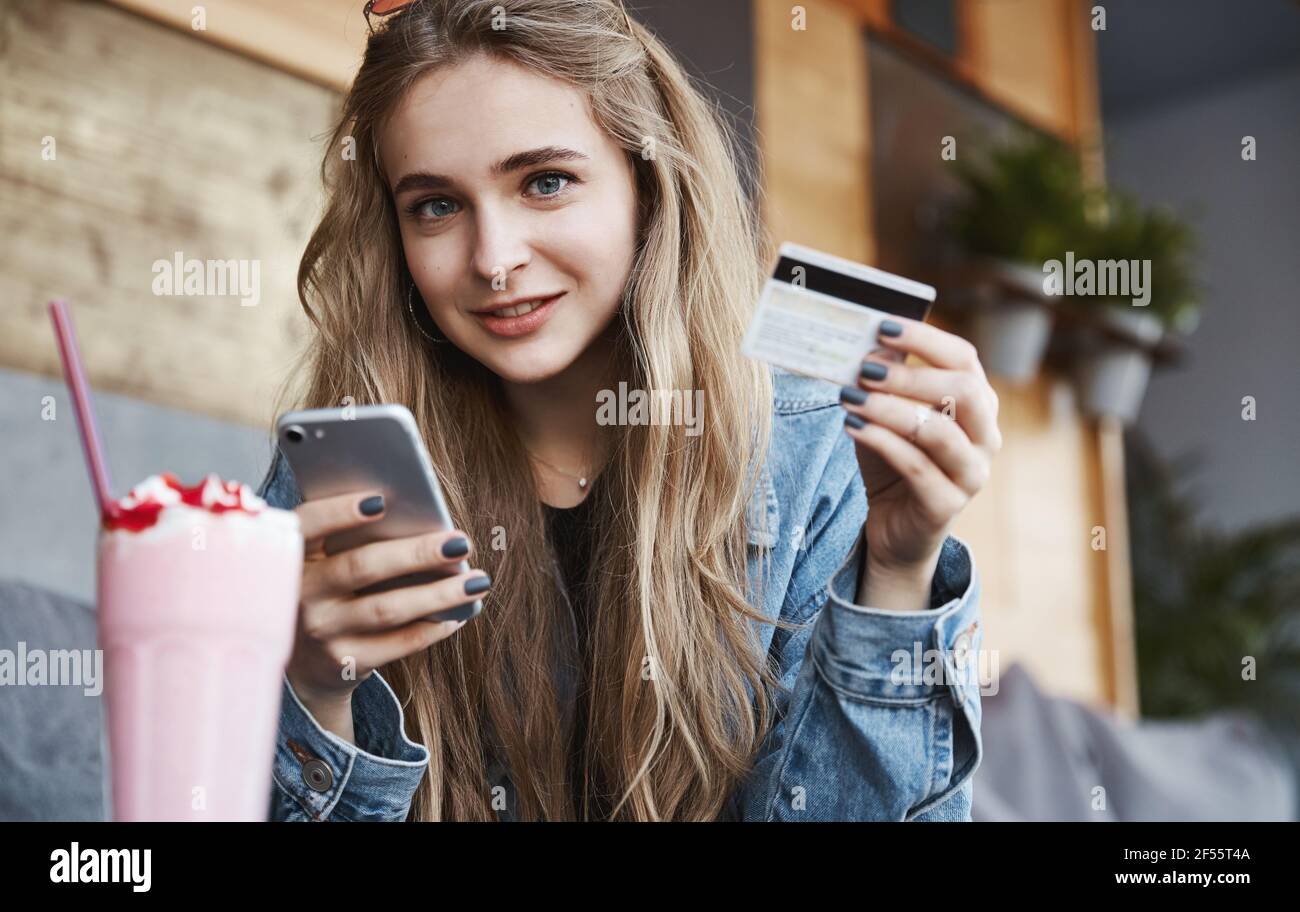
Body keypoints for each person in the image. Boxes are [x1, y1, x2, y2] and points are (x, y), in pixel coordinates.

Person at [257, 0, 1001, 822]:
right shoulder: (334, 484)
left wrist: (897, 574)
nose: (494, 260)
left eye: (545, 182)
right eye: (435, 205)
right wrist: (315, 692)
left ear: (649, 185)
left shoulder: (809, 451)